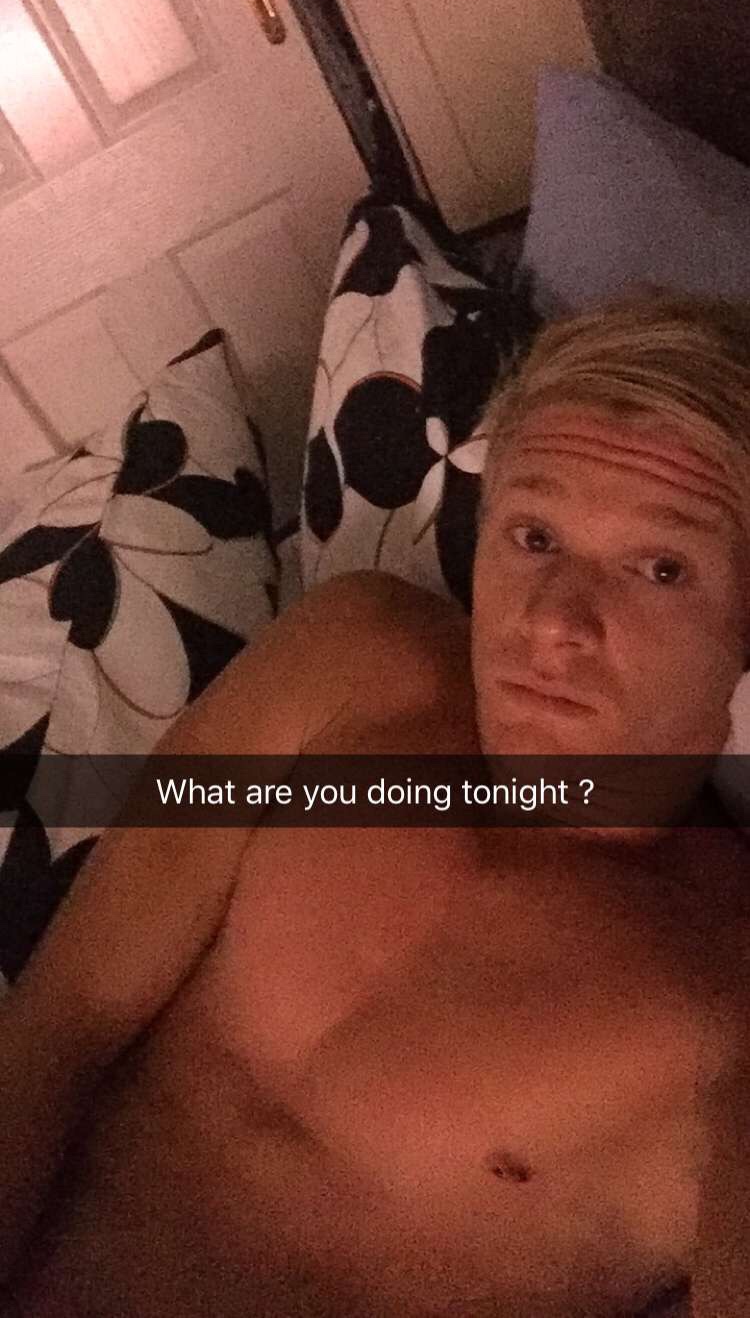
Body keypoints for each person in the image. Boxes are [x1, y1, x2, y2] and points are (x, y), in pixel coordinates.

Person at [2, 291, 750, 1318]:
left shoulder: (723, 990)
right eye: (534, 536)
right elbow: (65, 1017)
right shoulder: (353, 662)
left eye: (661, 568)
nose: (554, 624)